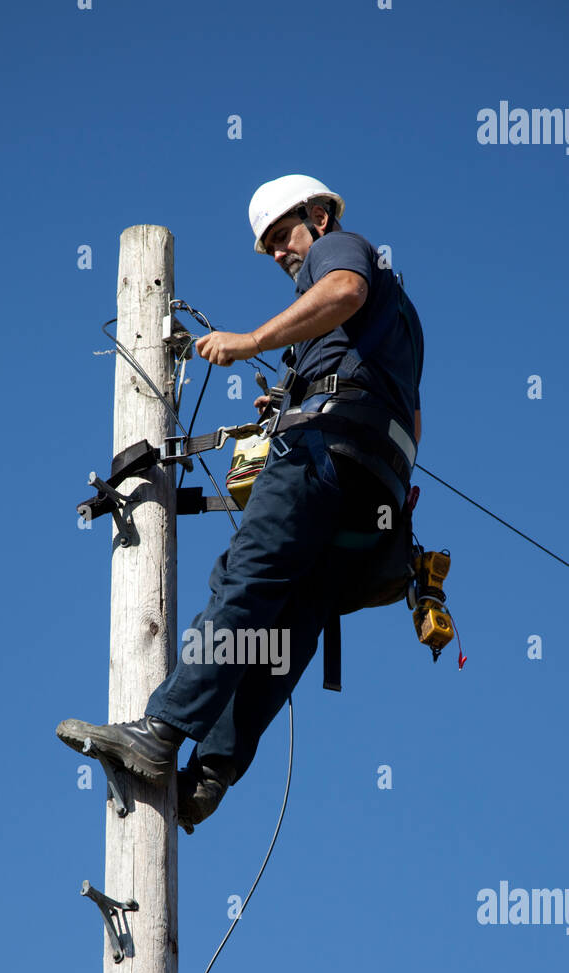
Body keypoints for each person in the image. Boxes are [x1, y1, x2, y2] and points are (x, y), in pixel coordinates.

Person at [57, 175, 424, 831]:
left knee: (244, 582)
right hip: (376, 493)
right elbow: (410, 417)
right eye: (272, 246)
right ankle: (209, 774)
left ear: (318, 215)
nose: (282, 252)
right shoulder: (402, 320)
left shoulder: (342, 254)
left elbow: (343, 291)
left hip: (325, 459)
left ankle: (161, 731)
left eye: (285, 235)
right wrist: (294, 393)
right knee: (285, 626)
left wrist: (251, 343)